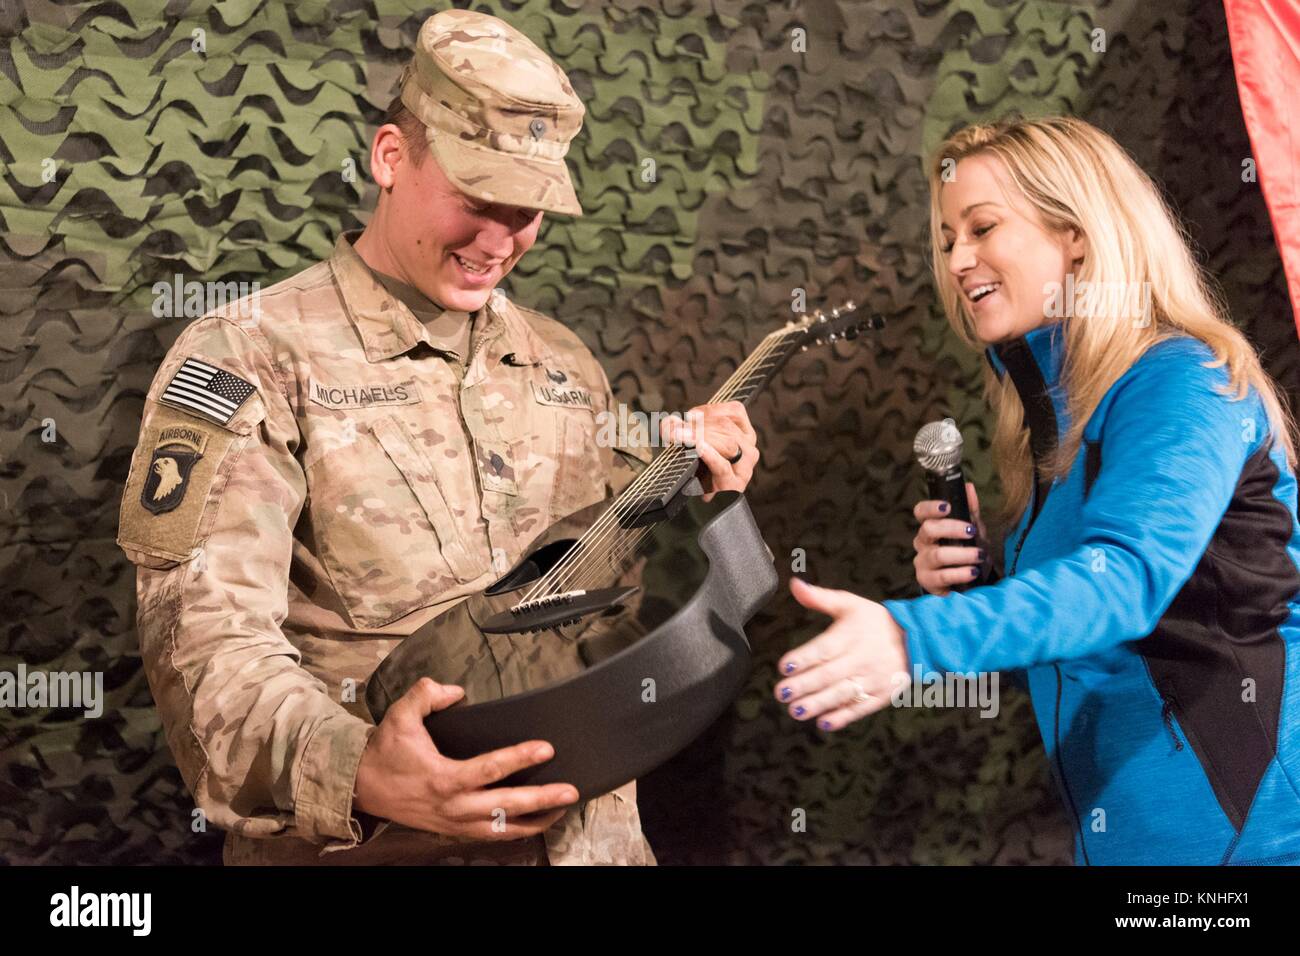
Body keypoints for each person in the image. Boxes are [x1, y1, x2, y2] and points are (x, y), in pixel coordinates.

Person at [116, 9, 758, 866]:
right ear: (391, 158)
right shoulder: (247, 356)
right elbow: (205, 653)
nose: (500, 241)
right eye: (476, 199)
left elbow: (601, 596)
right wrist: (361, 772)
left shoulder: (561, 362)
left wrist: (692, 487)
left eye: (527, 210)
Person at [773, 116, 1300, 865]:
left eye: (983, 227)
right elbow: (1109, 648)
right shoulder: (1058, 425)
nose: (959, 259)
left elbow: (1124, 585)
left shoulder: (1182, 380)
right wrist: (985, 581)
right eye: (948, 239)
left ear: (1076, 233)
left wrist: (910, 637)